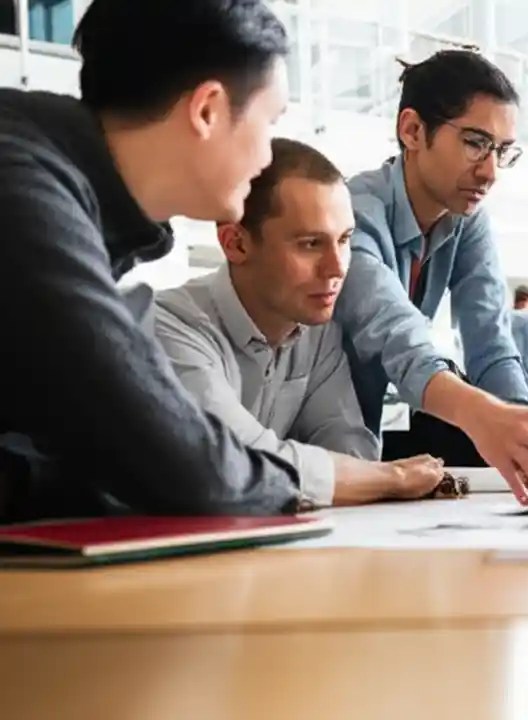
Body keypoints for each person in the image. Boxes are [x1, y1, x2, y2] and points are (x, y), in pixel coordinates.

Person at [0, 0, 307, 521]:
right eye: (270, 122)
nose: (267, 157)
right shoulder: (22, 185)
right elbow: (186, 468)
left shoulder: (56, 183)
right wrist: (283, 485)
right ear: (207, 110)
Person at [334, 49, 528, 505]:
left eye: (502, 151)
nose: (490, 172)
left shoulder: (465, 221)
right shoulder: (349, 213)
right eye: (476, 143)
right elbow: (397, 334)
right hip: (310, 425)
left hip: (368, 437)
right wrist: (484, 416)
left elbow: (491, 342)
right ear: (412, 131)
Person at [155, 138, 447, 507]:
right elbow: (234, 463)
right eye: (310, 244)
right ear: (235, 243)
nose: (337, 268)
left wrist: (358, 477)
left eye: (344, 240)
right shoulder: (170, 329)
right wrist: (394, 477)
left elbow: (351, 450)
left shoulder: (318, 330)